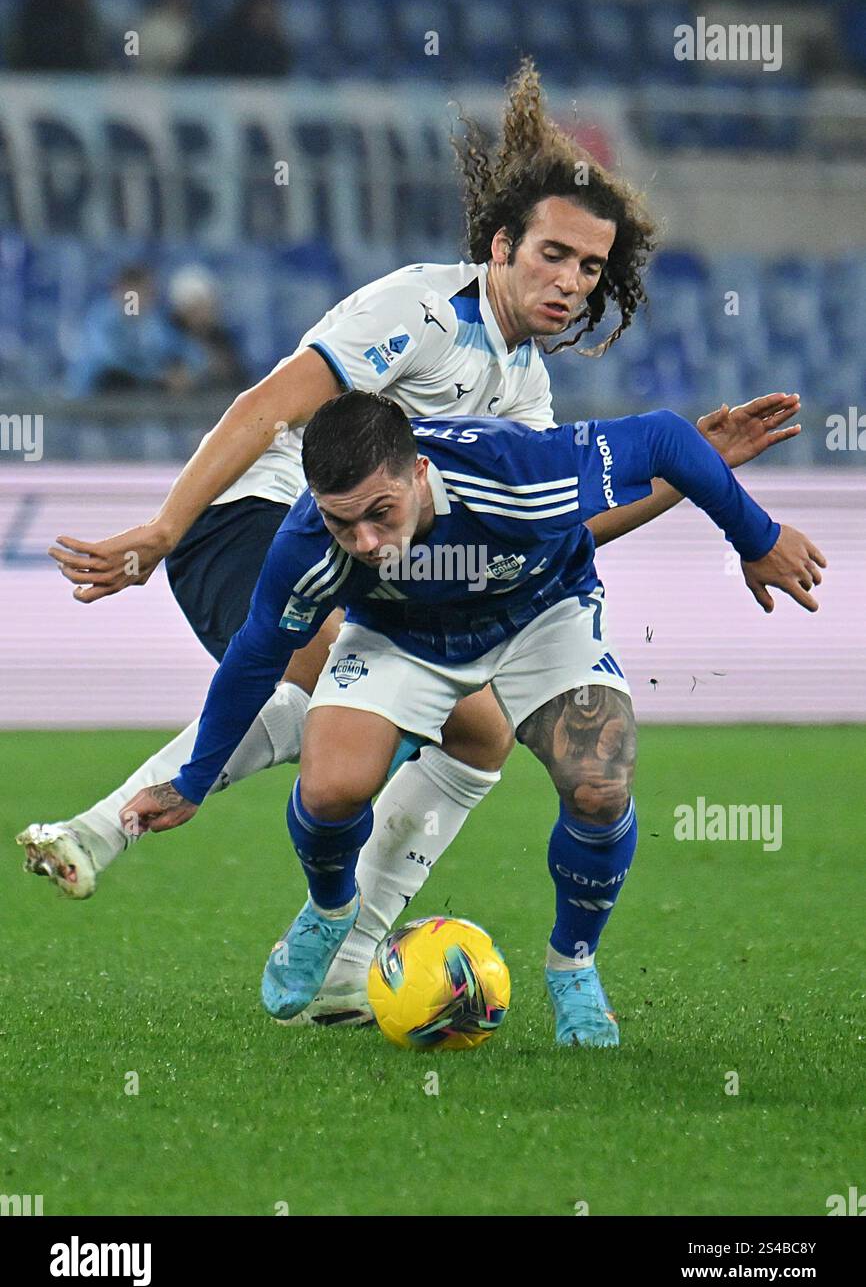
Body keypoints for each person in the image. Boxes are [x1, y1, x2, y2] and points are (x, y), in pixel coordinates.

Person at [23, 62, 800, 1028]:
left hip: (374, 556)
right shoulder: (422, 313)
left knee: (475, 735)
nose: (568, 283)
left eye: (588, 269)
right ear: (501, 245)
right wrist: (163, 528)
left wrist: (690, 479)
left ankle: (350, 956)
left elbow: (564, 521)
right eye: (551, 256)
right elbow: (270, 405)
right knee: (315, 670)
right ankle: (106, 831)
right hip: (264, 517)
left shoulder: (524, 389)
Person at [117, 392, 825, 1046]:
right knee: (331, 789)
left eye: (380, 513)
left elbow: (668, 438)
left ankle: (572, 966)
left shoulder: (515, 469)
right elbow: (253, 656)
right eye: (341, 521)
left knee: (598, 784)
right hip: (401, 635)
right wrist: (193, 780)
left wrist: (756, 536)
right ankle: (331, 911)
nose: (363, 541)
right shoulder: (307, 543)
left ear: (420, 473)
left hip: (539, 615)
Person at [67, 264, 206, 397]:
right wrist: (158, 375)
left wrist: (186, 372)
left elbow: (189, 351)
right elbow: (108, 359)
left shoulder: (152, 322)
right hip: (95, 397)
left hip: (137, 396)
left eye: (146, 292)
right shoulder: (101, 318)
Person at [8, 0, 103, 73]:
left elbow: (93, 57)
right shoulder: (37, 8)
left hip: (75, 80)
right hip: (33, 78)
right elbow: (35, 49)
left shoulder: (85, 14)